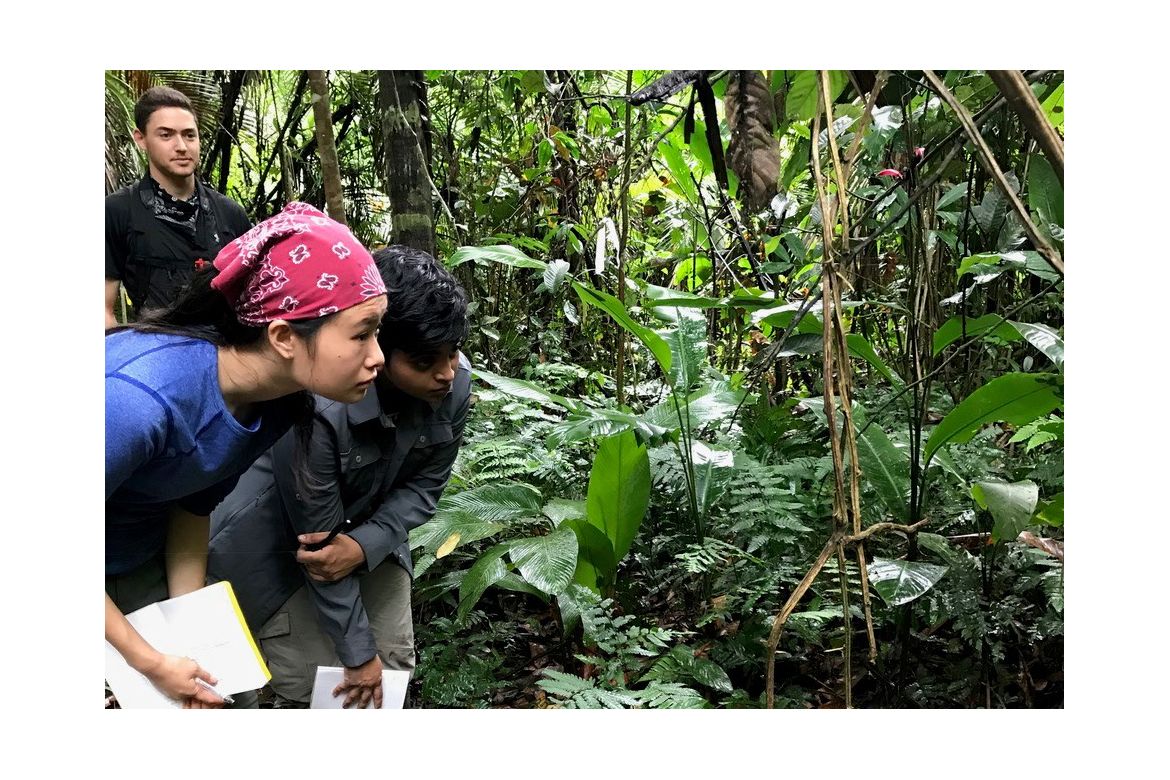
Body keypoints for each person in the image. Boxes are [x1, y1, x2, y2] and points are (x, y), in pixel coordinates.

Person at [106, 202, 389, 708]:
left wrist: (186, 626)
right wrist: (149, 661)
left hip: (130, 554)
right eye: (362, 334)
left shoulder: (273, 403)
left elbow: (192, 503)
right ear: (283, 337)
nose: (378, 357)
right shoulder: (140, 400)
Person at [208, 246, 471, 709]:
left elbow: (425, 487)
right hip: (281, 539)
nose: (446, 374)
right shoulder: (319, 404)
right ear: (377, 348)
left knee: (390, 666)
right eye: (427, 362)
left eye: (453, 354)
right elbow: (318, 545)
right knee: (311, 680)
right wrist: (357, 653)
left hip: (372, 529)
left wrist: (365, 544)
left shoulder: (454, 381)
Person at [106, 85, 252, 327]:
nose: (182, 146)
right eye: (166, 135)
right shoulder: (117, 211)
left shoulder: (229, 214)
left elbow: (251, 298)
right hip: (155, 352)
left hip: (224, 355)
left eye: (189, 135)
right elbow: (103, 310)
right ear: (141, 139)